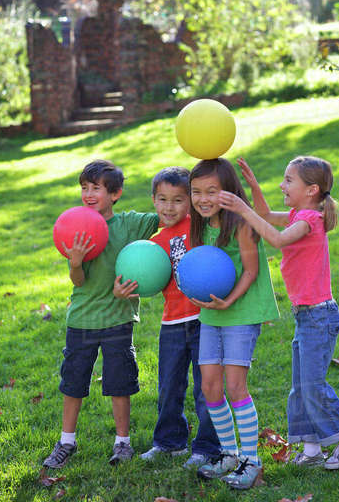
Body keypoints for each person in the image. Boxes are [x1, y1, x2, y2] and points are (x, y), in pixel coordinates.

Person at [218, 156, 339, 470]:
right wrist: (252, 185)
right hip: (307, 317)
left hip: (319, 317)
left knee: (313, 386)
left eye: (289, 181)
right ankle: (312, 449)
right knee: (300, 387)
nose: (282, 185)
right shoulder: (298, 214)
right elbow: (263, 215)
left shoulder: (309, 221)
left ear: (312, 189)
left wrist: (242, 209)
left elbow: (275, 238)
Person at [43, 160, 159, 469]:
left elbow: (168, 215)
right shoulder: (75, 226)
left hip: (118, 318)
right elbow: (78, 282)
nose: (88, 194)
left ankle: (123, 442)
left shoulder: (130, 224)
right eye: (84, 187)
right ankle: (66, 440)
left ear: (116, 193)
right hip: (82, 318)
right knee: (73, 381)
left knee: (120, 381)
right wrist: (75, 262)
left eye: (96, 188)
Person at [188, 158, 279, 490]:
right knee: (210, 386)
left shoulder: (242, 222)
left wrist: (229, 300)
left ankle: (251, 460)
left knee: (235, 387)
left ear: (229, 192)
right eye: (196, 192)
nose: (203, 198)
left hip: (241, 311)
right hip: (212, 313)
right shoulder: (199, 224)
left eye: (212, 191)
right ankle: (228, 453)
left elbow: (252, 271)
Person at [140, 167, 221, 468]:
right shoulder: (155, 241)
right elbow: (150, 277)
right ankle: (169, 442)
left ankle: (207, 447)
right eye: (162, 200)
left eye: (177, 200)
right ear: (153, 200)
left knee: (206, 387)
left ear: (189, 201)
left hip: (204, 320)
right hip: (171, 323)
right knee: (169, 385)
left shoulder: (200, 226)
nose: (169, 207)